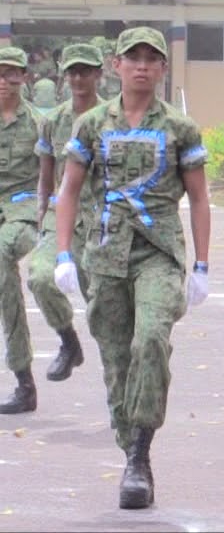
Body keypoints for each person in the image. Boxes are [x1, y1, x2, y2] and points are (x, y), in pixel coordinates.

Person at [53, 26, 212, 510]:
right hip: (104, 254)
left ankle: (140, 456)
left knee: (150, 341)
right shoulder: (93, 124)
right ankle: (130, 451)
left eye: (152, 58)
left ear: (163, 68)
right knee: (117, 359)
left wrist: (202, 265)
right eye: (133, 57)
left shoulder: (181, 128)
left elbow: (201, 198)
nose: (142, 65)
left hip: (159, 253)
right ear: (116, 65)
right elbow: (70, 191)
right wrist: (63, 254)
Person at [26, 44, 104, 387]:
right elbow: (46, 176)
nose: (78, 78)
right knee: (41, 278)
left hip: (101, 224)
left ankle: (119, 390)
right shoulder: (53, 121)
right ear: (63, 76)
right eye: (72, 71)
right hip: (62, 219)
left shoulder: (112, 118)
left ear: (99, 74)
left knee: (103, 312)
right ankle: (69, 343)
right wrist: (42, 215)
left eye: (85, 71)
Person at [0, 47, 44, 416]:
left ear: (24, 78)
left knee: (4, 259)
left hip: (25, 211)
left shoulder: (39, 123)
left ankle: (23, 379)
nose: (4, 81)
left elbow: (58, 172)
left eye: (12, 74)